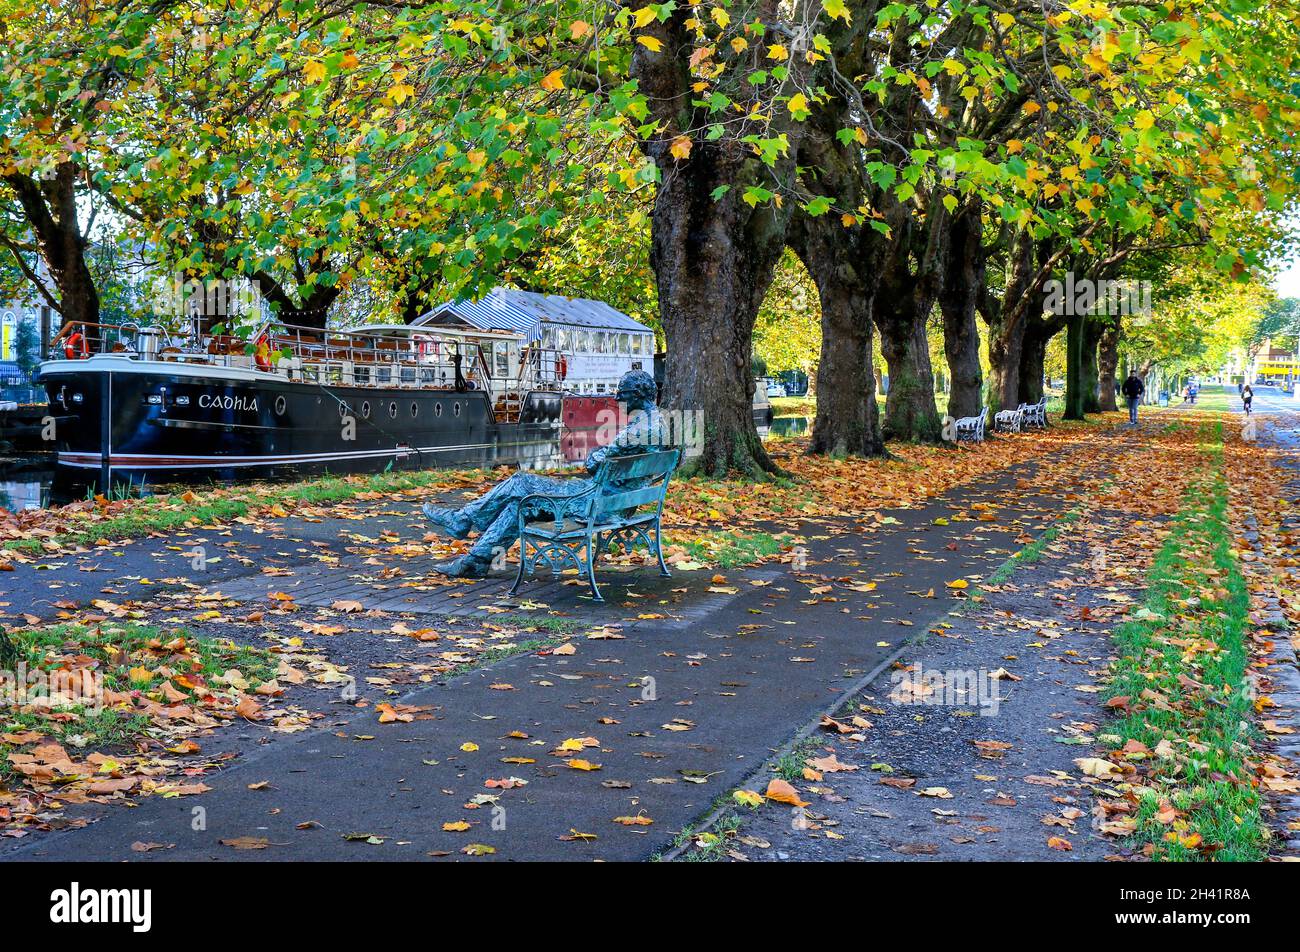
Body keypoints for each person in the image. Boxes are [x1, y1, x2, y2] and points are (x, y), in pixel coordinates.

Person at [421, 369, 668, 577]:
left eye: (621, 394)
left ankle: (462, 520)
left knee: (520, 481)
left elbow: (594, 465)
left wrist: (595, 455)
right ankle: (476, 562)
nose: (616, 398)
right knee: (520, 506)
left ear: (636, 395)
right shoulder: (659, 423)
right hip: (619, 502)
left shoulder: (637, 431)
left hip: (597, 504)